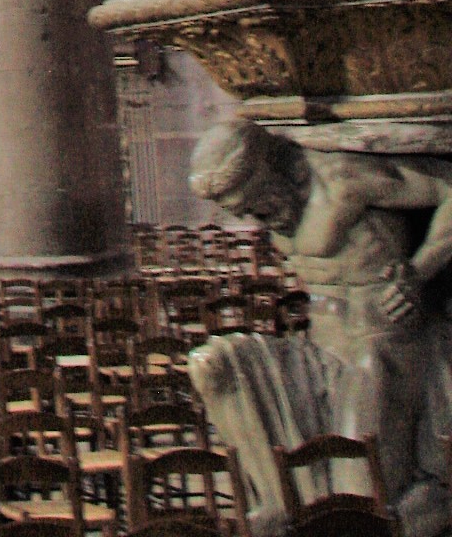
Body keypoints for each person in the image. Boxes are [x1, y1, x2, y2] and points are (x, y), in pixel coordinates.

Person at [189, 118, 452, 536]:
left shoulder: (343, 179)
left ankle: (432, 506)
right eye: (240, 213)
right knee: (213, 364)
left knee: (357, 495)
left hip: (381, 346)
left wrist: (418, 274)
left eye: (255, 204)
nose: (256, 220)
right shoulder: (279, 208)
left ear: (272, 171)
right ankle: (283, 507)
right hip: (319, 348)